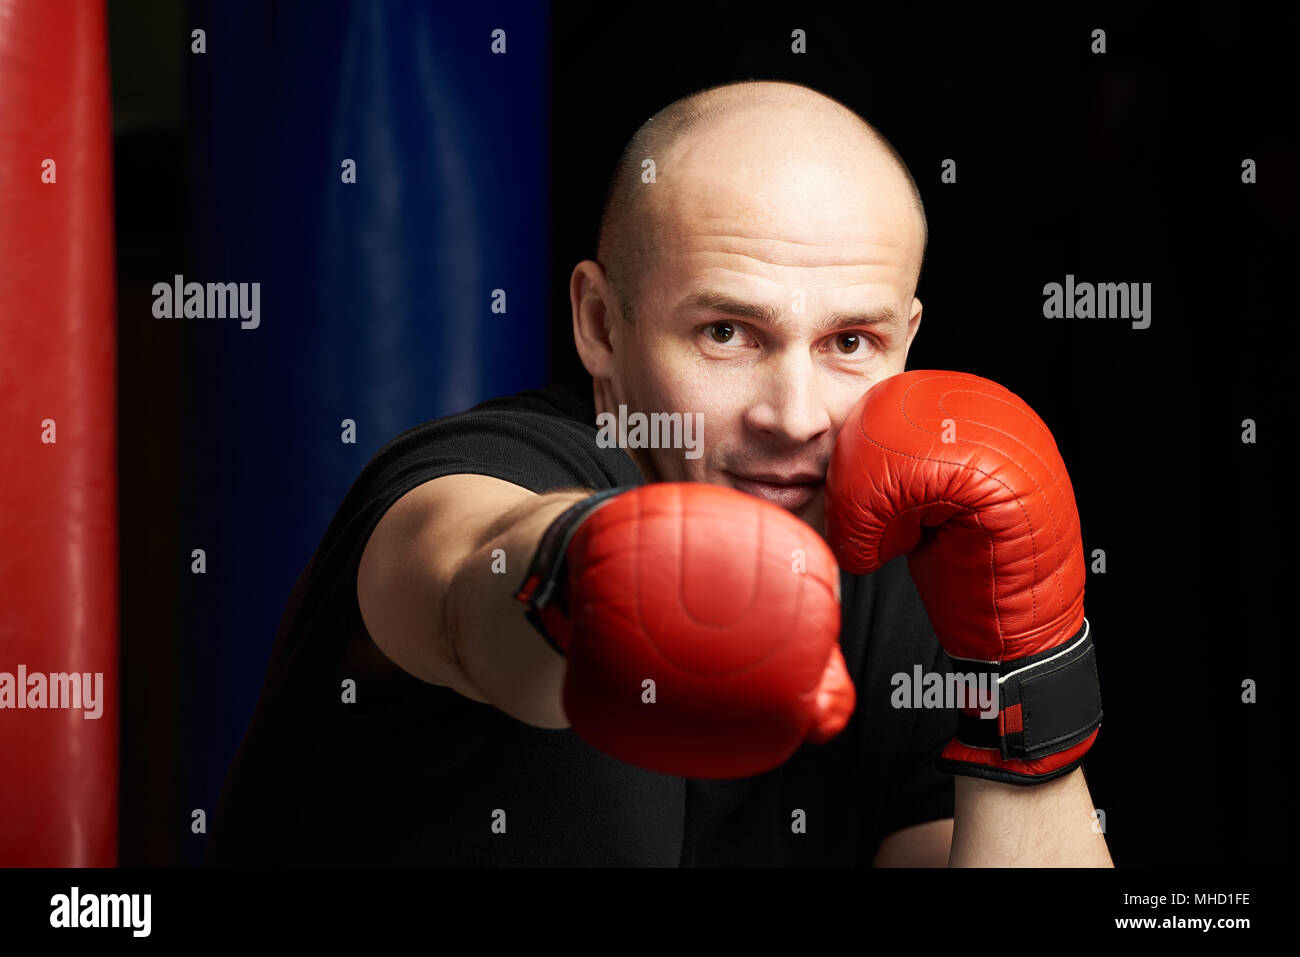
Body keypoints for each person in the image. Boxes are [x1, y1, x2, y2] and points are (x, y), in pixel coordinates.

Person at [205, 79, 1112, 866]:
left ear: (908, 344)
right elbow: (461, 573)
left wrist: (1023, 665)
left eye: (849, 342)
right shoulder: (488, 468)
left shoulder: (914, 566)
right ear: (600, 321)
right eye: (726, 332)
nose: (794, 415)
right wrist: (585, 573)